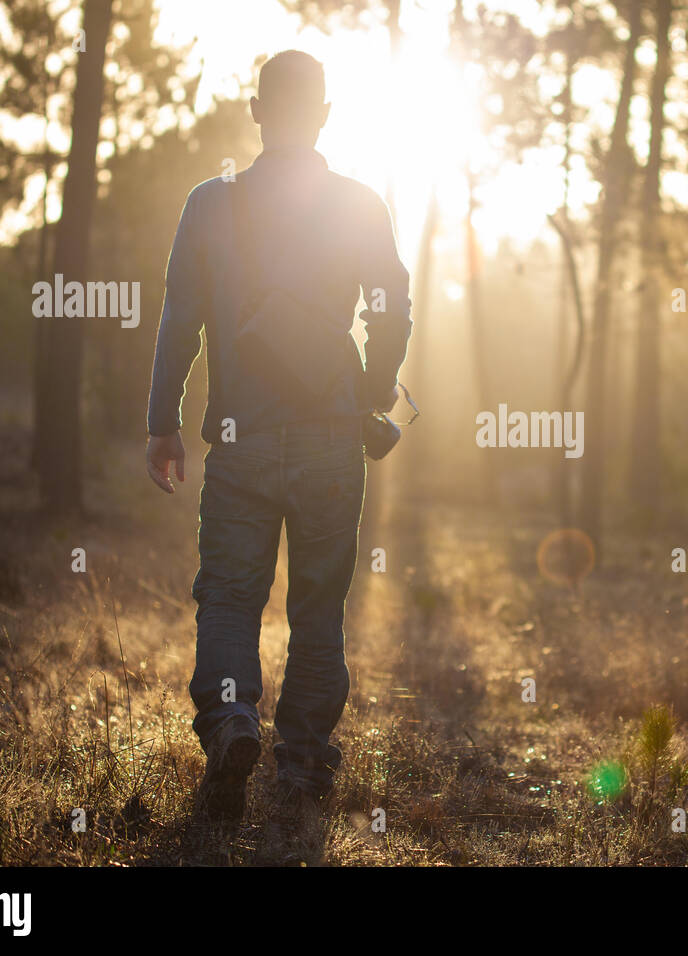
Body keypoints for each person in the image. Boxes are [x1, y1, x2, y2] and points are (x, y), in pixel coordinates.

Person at [144, 50, 411, 861]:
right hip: (333, 437)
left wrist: (164, 421)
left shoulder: (209, 204)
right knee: (319, 608)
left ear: (258, 110)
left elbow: (179, 319)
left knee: (228, 597)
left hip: (238, 440)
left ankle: (230, 722)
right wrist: (374, 386)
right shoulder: (360, 203)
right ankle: (300, 766)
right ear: (326, 114)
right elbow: (393, 304)